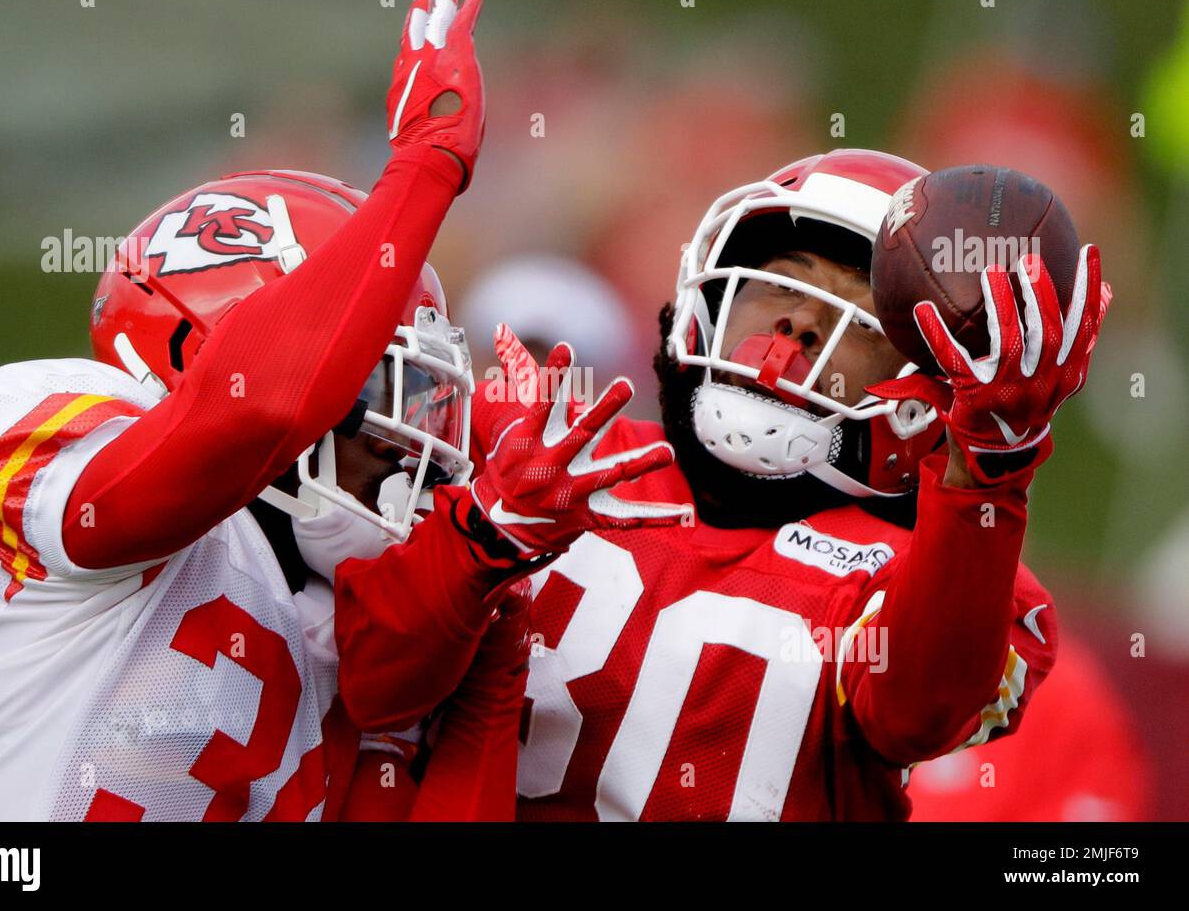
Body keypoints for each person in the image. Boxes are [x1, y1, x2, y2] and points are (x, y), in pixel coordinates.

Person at [0, 0, 680, 822]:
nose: (407, 444)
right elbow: (252, 413)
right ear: (200, 347)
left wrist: (490, 599)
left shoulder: (364, 623)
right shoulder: (33, 416)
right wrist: (423, 169)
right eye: (377, 380)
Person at [472, 148, 1112, 820]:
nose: (800, 322)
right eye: (784, 283)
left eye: (857, 313)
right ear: (714, 297)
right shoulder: (545, 455)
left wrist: (989, 476)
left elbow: (916, 711)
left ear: (929, 386)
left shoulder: (940, 571)